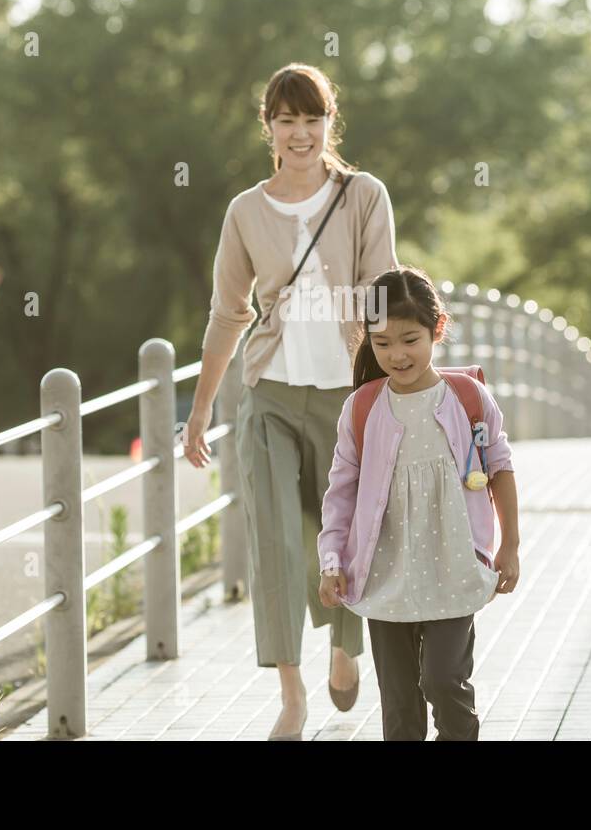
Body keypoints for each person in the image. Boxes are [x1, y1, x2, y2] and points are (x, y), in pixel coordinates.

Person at [183, 62, 398, 740]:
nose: (300, 133)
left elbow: (382, 291)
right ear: (268, 126)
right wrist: (198, 412)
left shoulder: (363, 195)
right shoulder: (246, 211)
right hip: (270, 395)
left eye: (313, 119)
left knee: (340, 536)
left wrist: (395, 389)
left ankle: (344, 643)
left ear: (330, 121)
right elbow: (227, 314)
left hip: (347, 397)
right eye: (287, 120)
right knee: (275, 538)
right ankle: (291, 693)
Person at [317, 266, 521, 740]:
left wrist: (509, 545)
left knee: (444, 681)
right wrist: (331, 560)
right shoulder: (364, 407)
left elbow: (501, 469)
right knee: (400, 707)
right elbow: (340, 491)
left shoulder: (467, 397)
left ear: (438, 329)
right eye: (382, 342)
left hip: (453, 568)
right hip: (385, 576)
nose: (396, 354)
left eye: (409, 339)